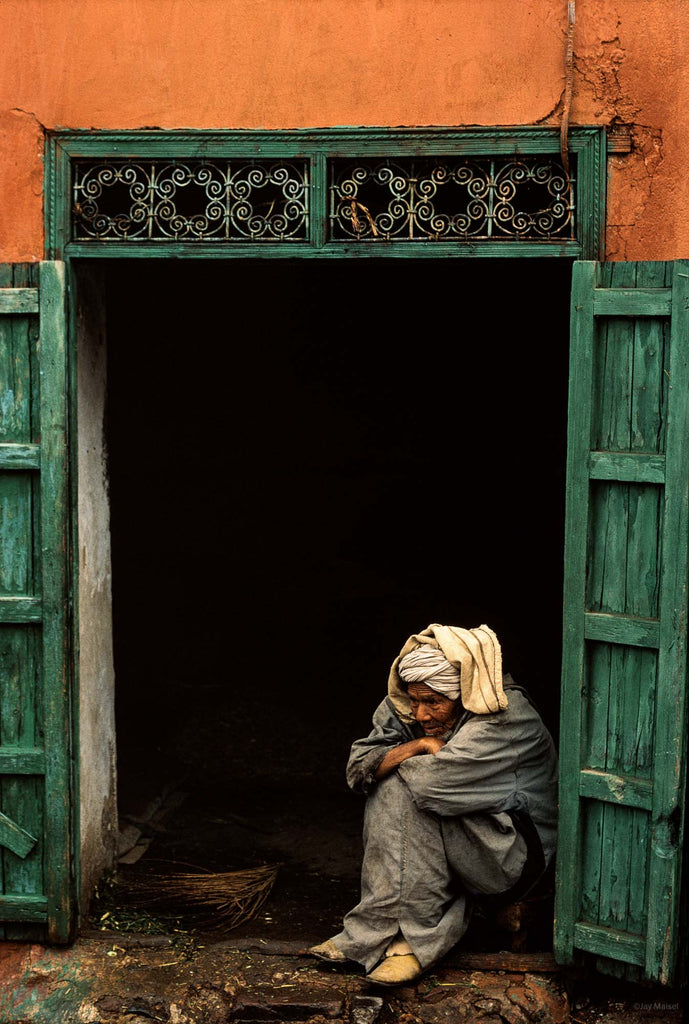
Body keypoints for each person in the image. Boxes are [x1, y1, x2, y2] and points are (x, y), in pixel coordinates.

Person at [309, 623, 558, 986]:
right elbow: (357, 767)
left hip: (509, 859)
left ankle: (408, 941)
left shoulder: (506, 716)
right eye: (415, 702)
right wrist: (417, 747)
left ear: (463, 694)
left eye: (433, 703)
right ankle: (381, 934)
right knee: (395, 784)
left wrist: (391, 760)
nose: (421, 715)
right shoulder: (414, 698)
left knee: (397, 787)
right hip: (457, 842)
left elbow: (430, 784)